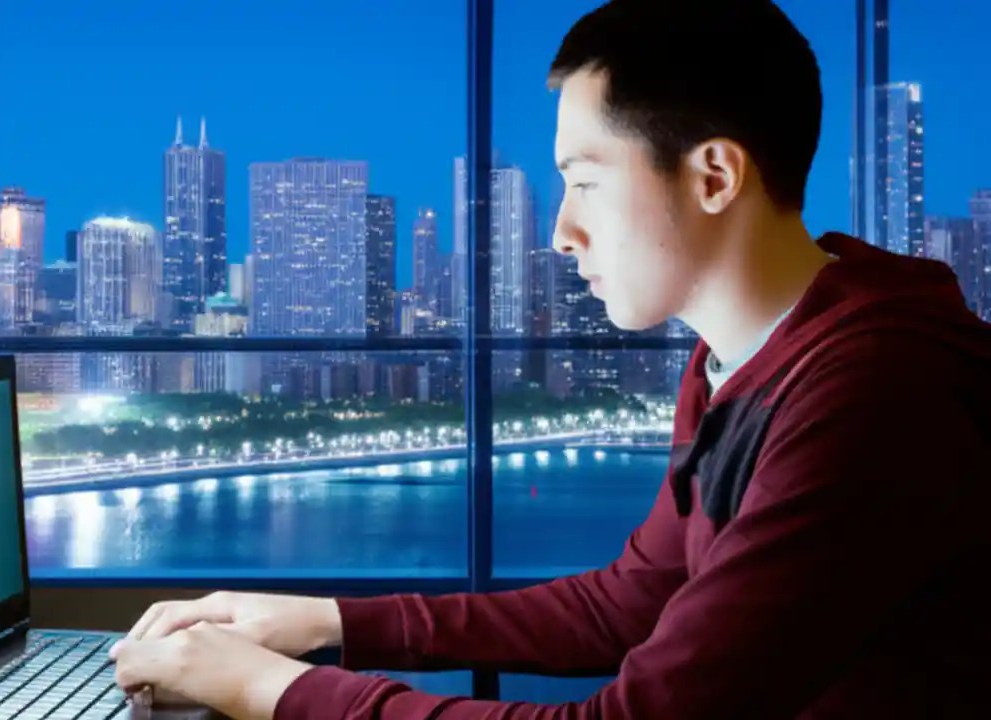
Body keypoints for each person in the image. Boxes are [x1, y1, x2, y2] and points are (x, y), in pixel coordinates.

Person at [110, 1, 991, 717]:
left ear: (715, 177)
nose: (564, 233)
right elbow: (632, 603)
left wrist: (269, 690)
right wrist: (322, 621)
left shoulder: (876, 391)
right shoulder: (742, 357)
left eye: (585, 181)